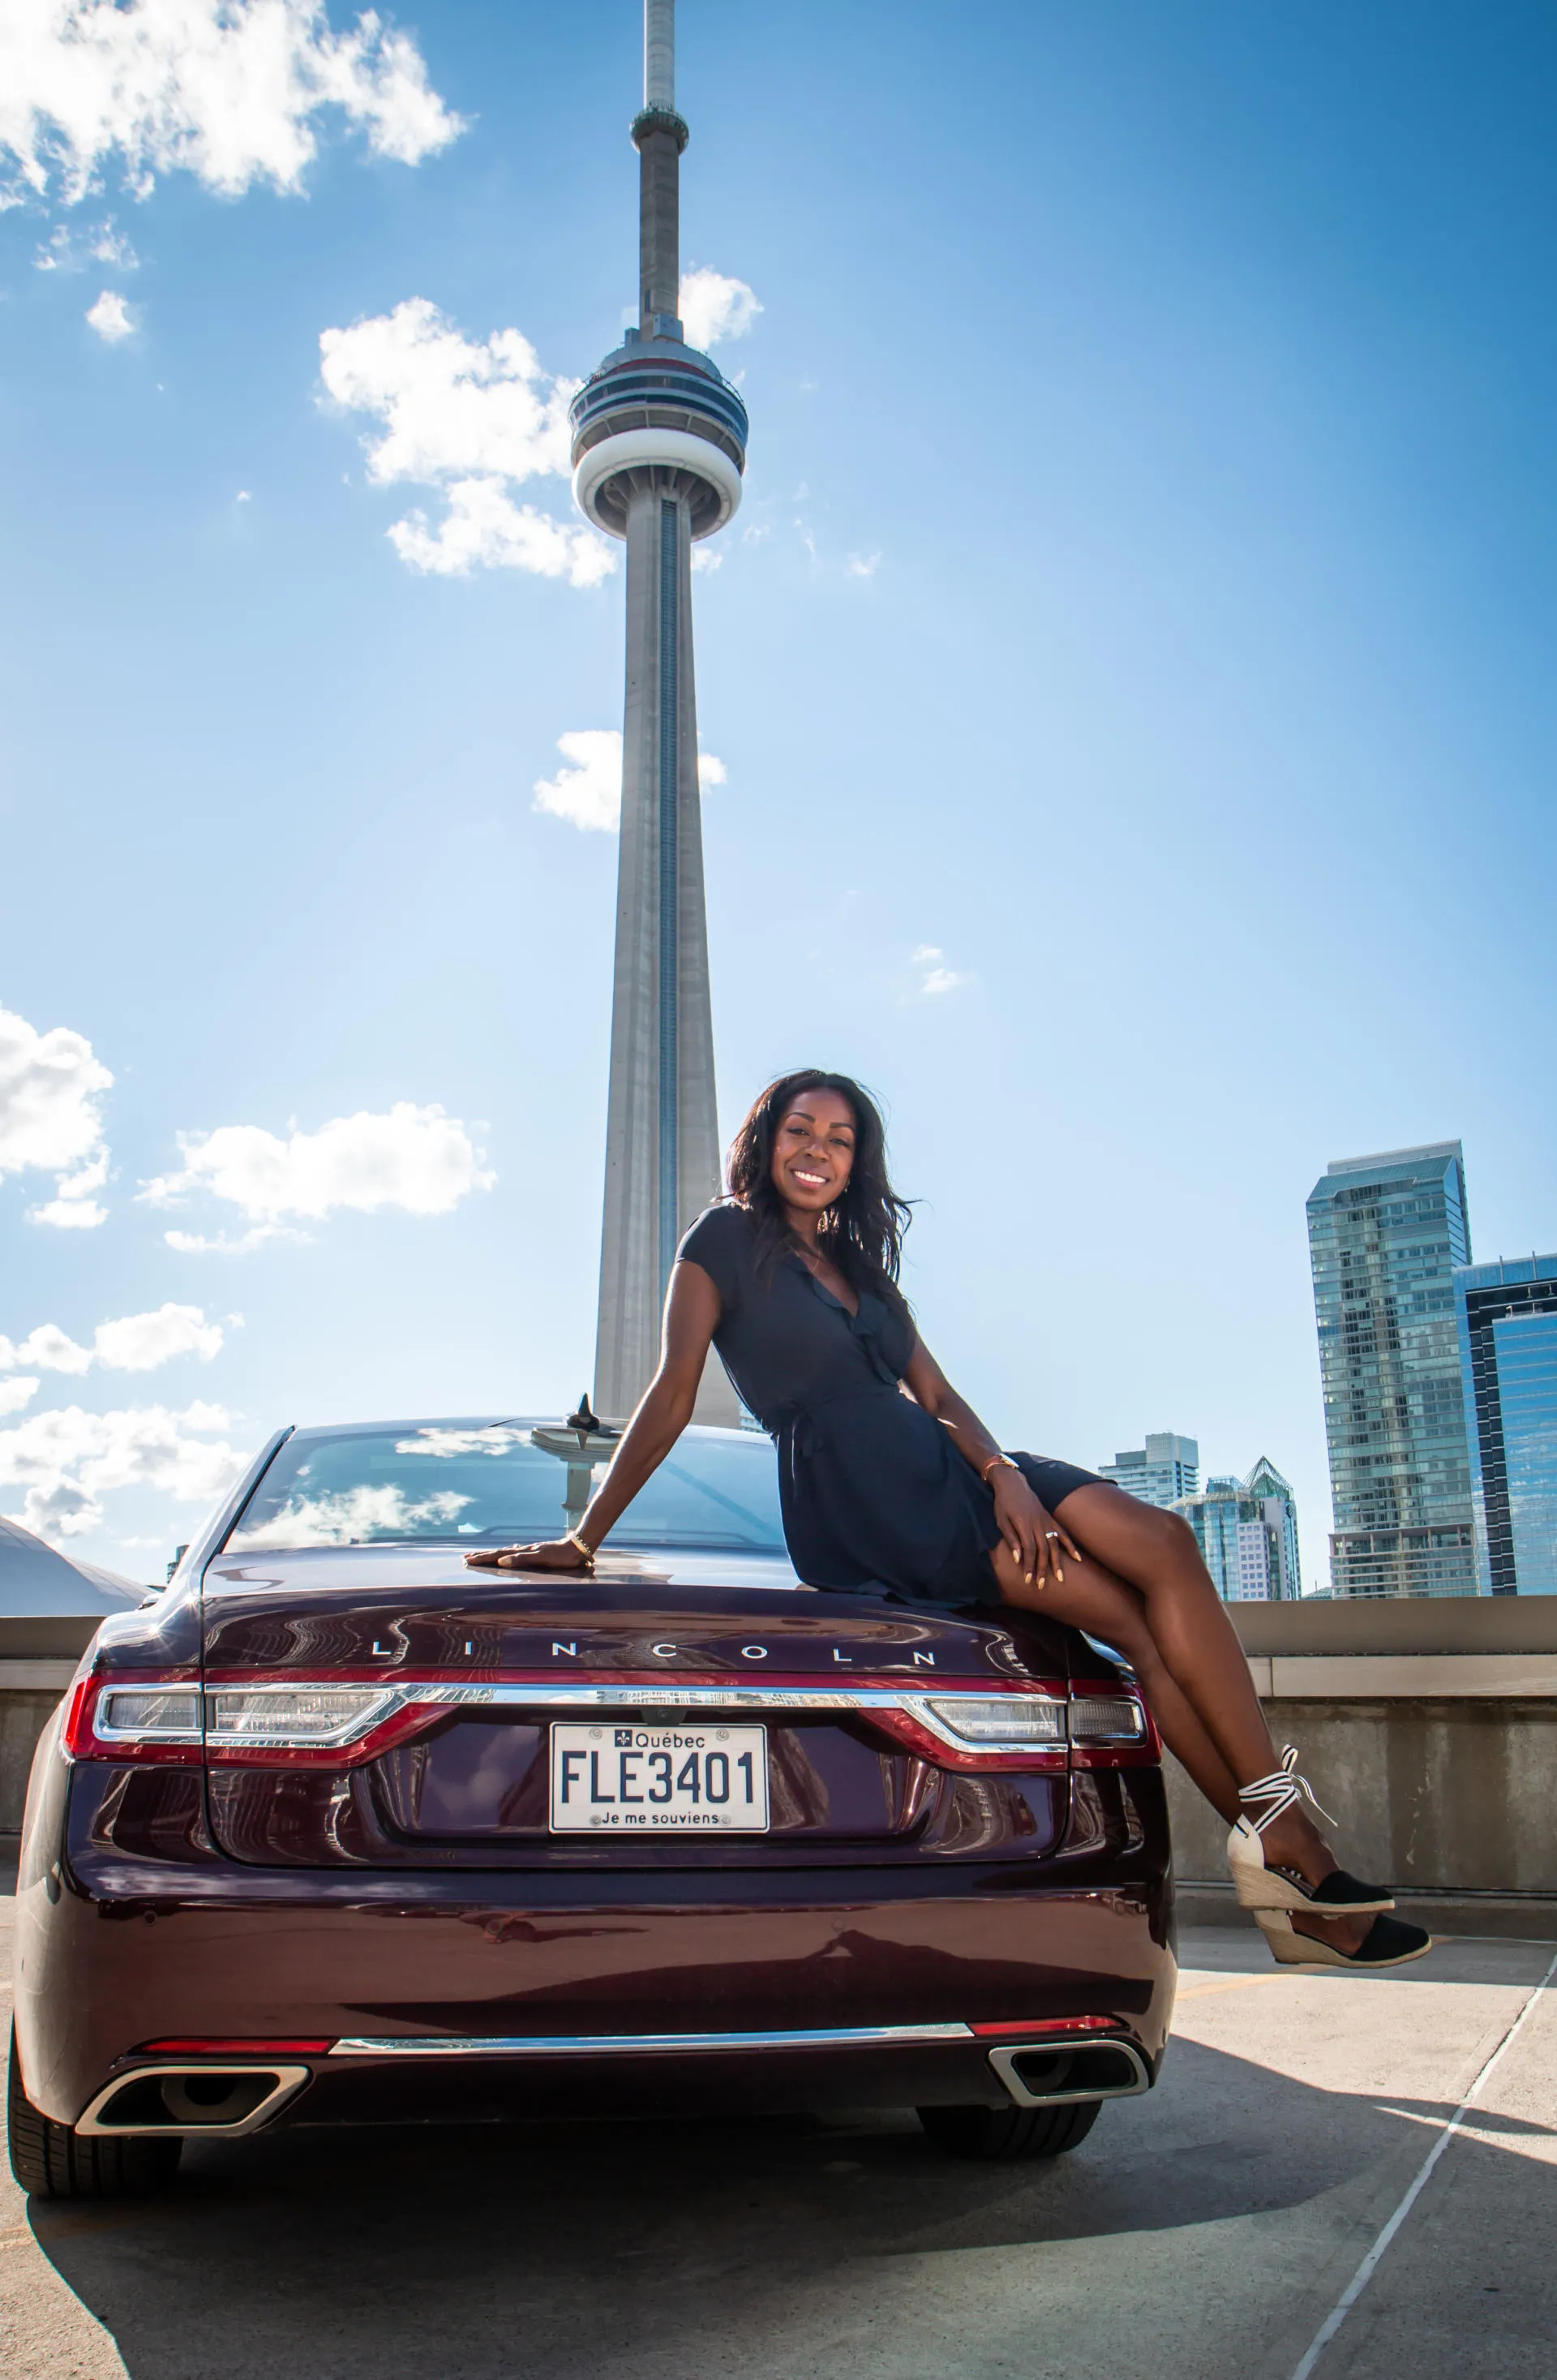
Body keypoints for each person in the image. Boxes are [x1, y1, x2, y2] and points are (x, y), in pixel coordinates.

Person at [468, 1068, 1428, 1970]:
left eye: (840, 1138)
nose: (819, 1149)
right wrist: (585, 1537)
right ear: (764, 1143)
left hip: (953, 1461)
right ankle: (1296, 1867)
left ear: (858, 1160)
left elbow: (935, 1390)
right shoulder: (720, 1239)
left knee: (1166, 1542)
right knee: (1127, 1621)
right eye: (800, 1130)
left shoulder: (858, 1263)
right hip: (870, 1491)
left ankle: (1279, 1825)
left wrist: (1006, 1474)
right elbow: (672, 1394)